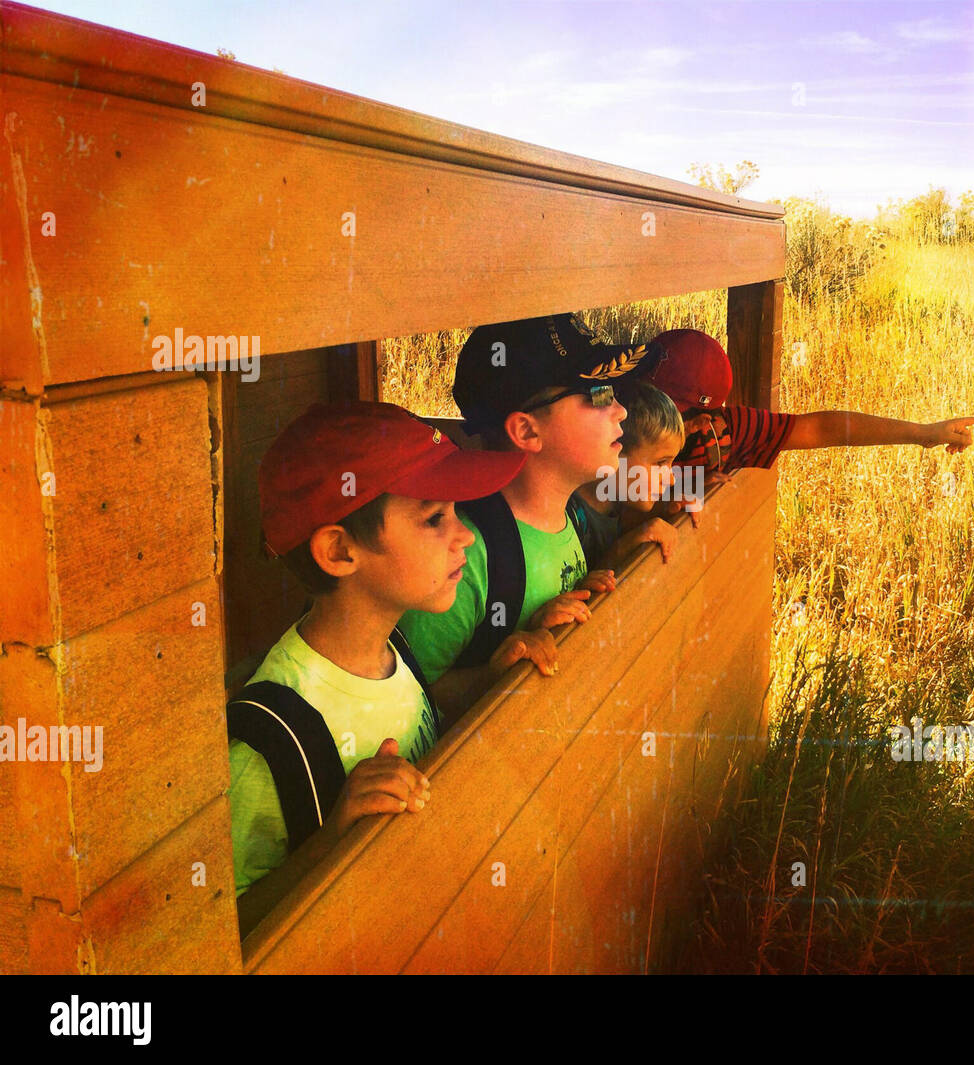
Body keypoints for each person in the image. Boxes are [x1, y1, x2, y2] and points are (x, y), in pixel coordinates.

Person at [226, 401, 525, 933]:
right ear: (340, 552)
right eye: (435, 518)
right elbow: (227, 926)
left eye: (456, 514)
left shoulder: (394, 649)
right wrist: (334, 839)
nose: (467, 536)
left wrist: (492, 676)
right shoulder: (266, 739)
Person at [399, 313, 664, 719]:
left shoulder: (570, 514)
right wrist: (492, 677)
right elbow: (411, 696)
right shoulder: (466, 557)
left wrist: (612, 565)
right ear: (526, 432)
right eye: (597, 394)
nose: (621, 412)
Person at [650, 329, 974, 485]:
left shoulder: (722, 434)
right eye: (636, 392)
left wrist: (923, 433)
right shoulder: (608, 426)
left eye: (660, 405)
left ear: (700, 420)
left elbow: (821, 427)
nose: (634, 410)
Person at [569, 378, 685, 568]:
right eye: (661, 463)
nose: (671, 479)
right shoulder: (569, 517)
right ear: (615, 448)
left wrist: (670, 508)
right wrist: (626, 546)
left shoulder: (616, 502)